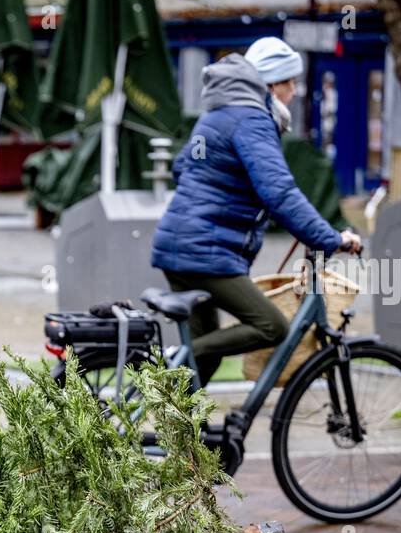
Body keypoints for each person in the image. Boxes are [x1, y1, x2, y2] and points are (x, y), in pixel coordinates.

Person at [151, 37, 361, 384]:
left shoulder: (218, 113)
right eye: (289, 82)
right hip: (206, 253)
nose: (294, 91)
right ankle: (169, 365)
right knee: (271, 326)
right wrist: (330, 238)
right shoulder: (253, 119)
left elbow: (182, 167)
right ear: (270, 85)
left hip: (178, 246)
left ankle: (176, 436)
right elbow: (280, 192)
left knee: (202, 364)